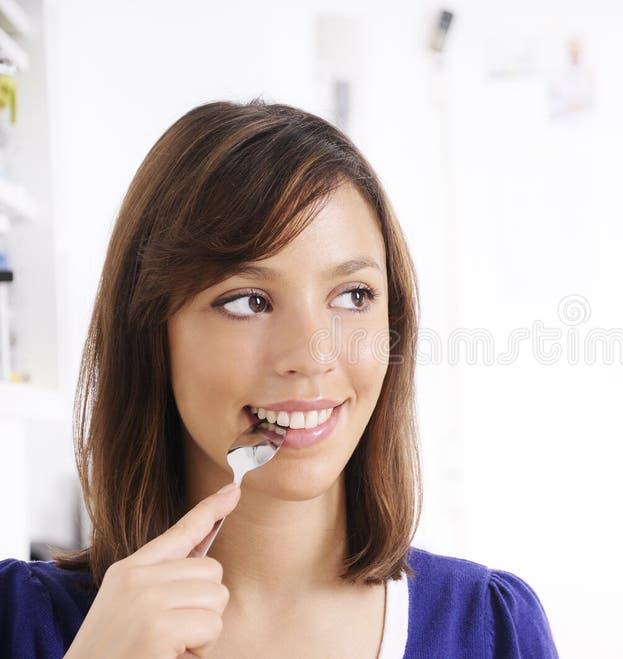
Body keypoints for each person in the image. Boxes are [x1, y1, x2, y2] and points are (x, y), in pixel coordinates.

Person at [0, 100, 559, 658]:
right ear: (150, 332)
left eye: (353, 296)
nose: (311, 357)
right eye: (248, 301)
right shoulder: (22, 622)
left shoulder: (490, 629)